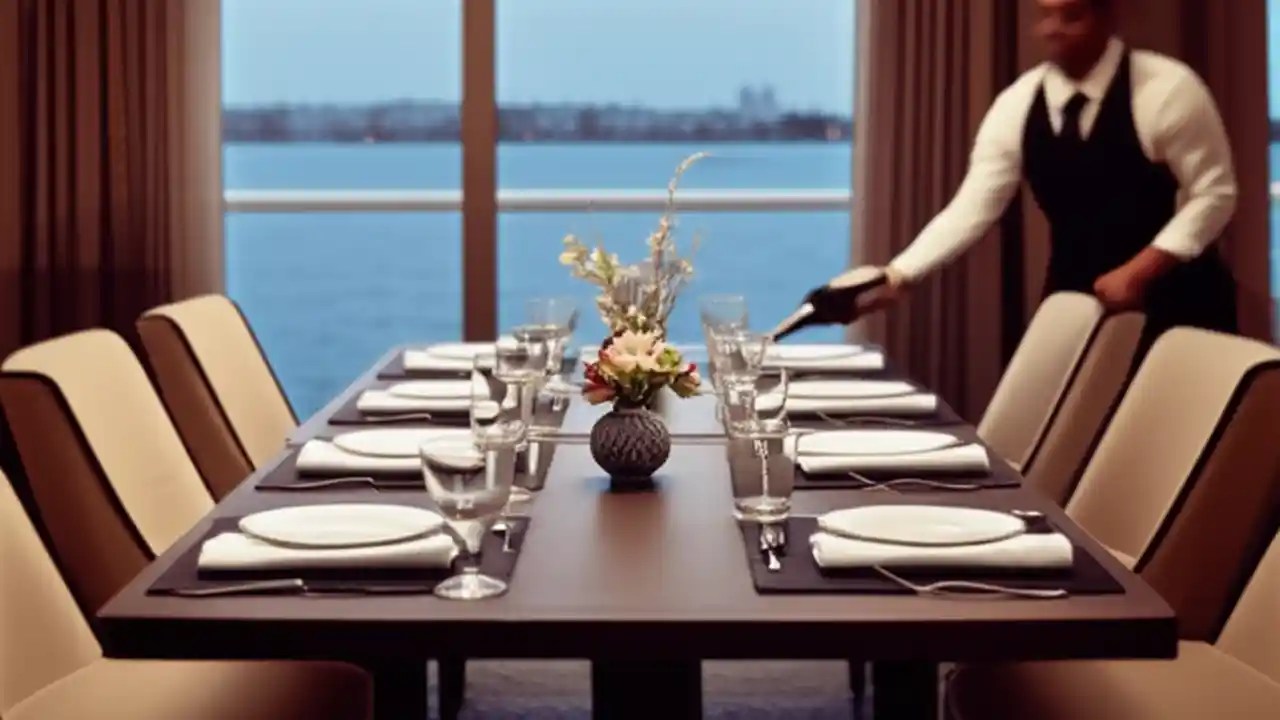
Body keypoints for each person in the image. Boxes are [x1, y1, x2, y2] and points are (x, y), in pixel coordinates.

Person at [857, 0, 1238, 344]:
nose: (1053, 28)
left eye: (1071, 16)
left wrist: (1139, 271)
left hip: (1182, 303)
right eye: (1046, 15)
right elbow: (972, 207)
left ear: (1107, 17)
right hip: (1073, 299)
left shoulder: (1167, 89)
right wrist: (899, 274)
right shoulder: (1018, 103)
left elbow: (1215, 194)